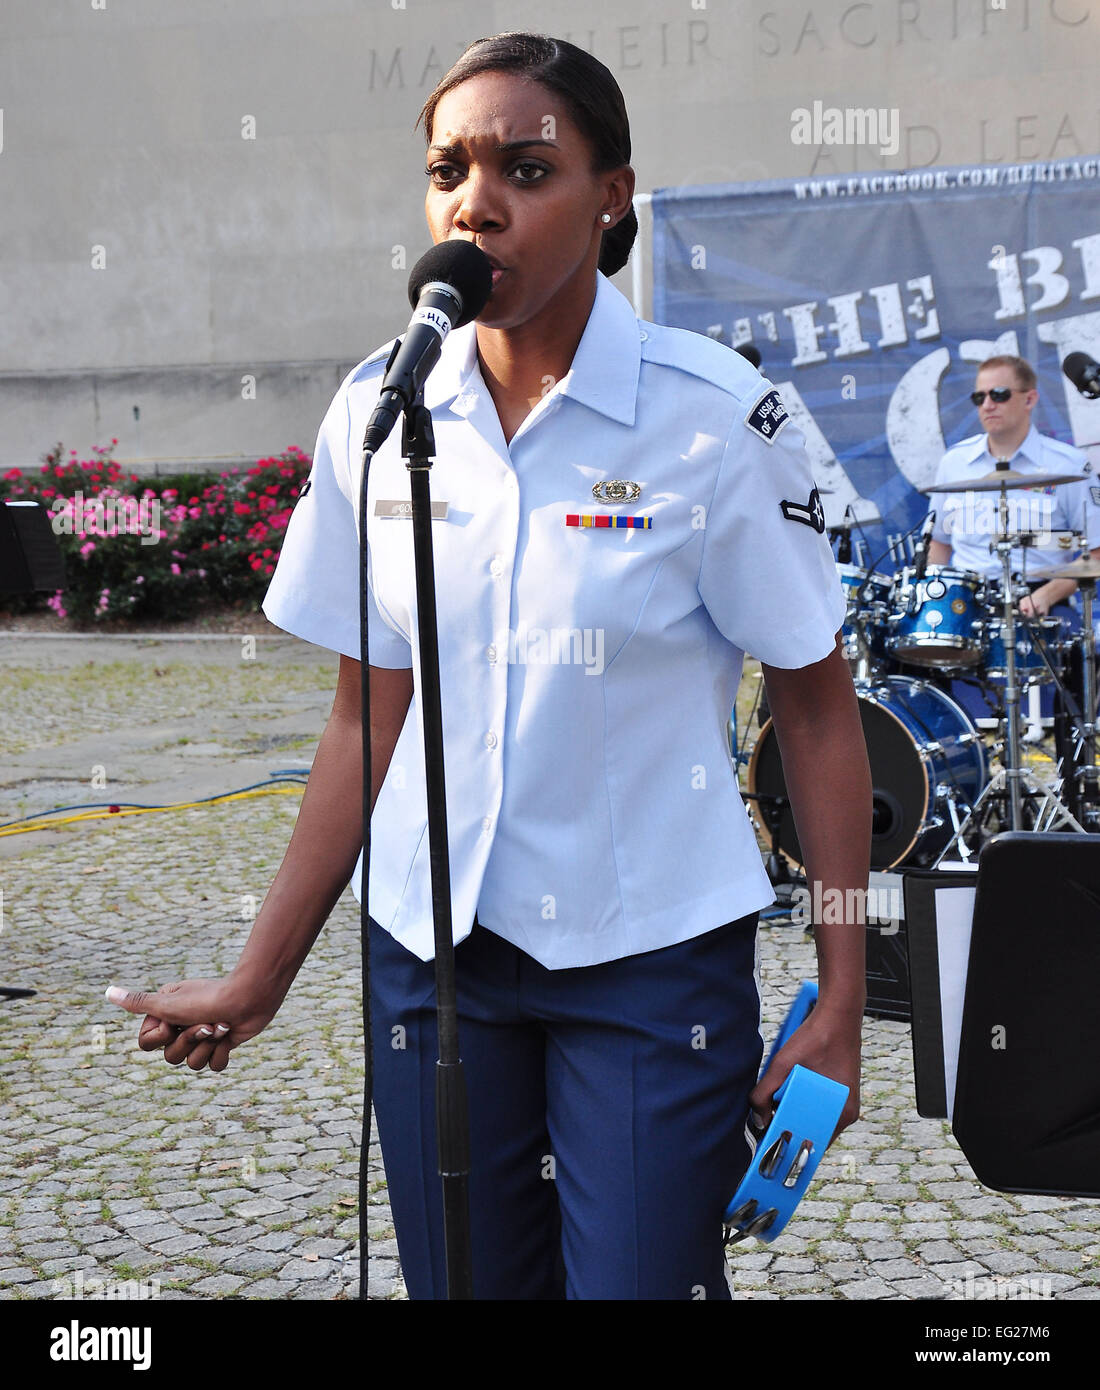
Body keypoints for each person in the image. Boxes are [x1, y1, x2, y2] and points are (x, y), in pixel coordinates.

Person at [106, 32, 871, 1301]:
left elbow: (815, 707)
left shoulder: (714, 415)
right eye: (449, 169)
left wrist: (839, 998)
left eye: (527, 167)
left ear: (611, 193)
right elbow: (365, 718)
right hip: (432, 954)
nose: (478, 202)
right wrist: (261, 973)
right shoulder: (381, 412)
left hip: (650, 958)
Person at [923, 354, 1100, 733]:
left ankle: (1069, 773)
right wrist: (935, 599)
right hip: (965, 607)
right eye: (979, 397)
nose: (987, 405)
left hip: (1041, 604)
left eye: (999, 394)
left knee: (1067, 713)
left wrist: (1047, 595)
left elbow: (1096, 555)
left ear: (1030, 399)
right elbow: (939, 545)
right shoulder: (955, 464)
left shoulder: (1069, 464)